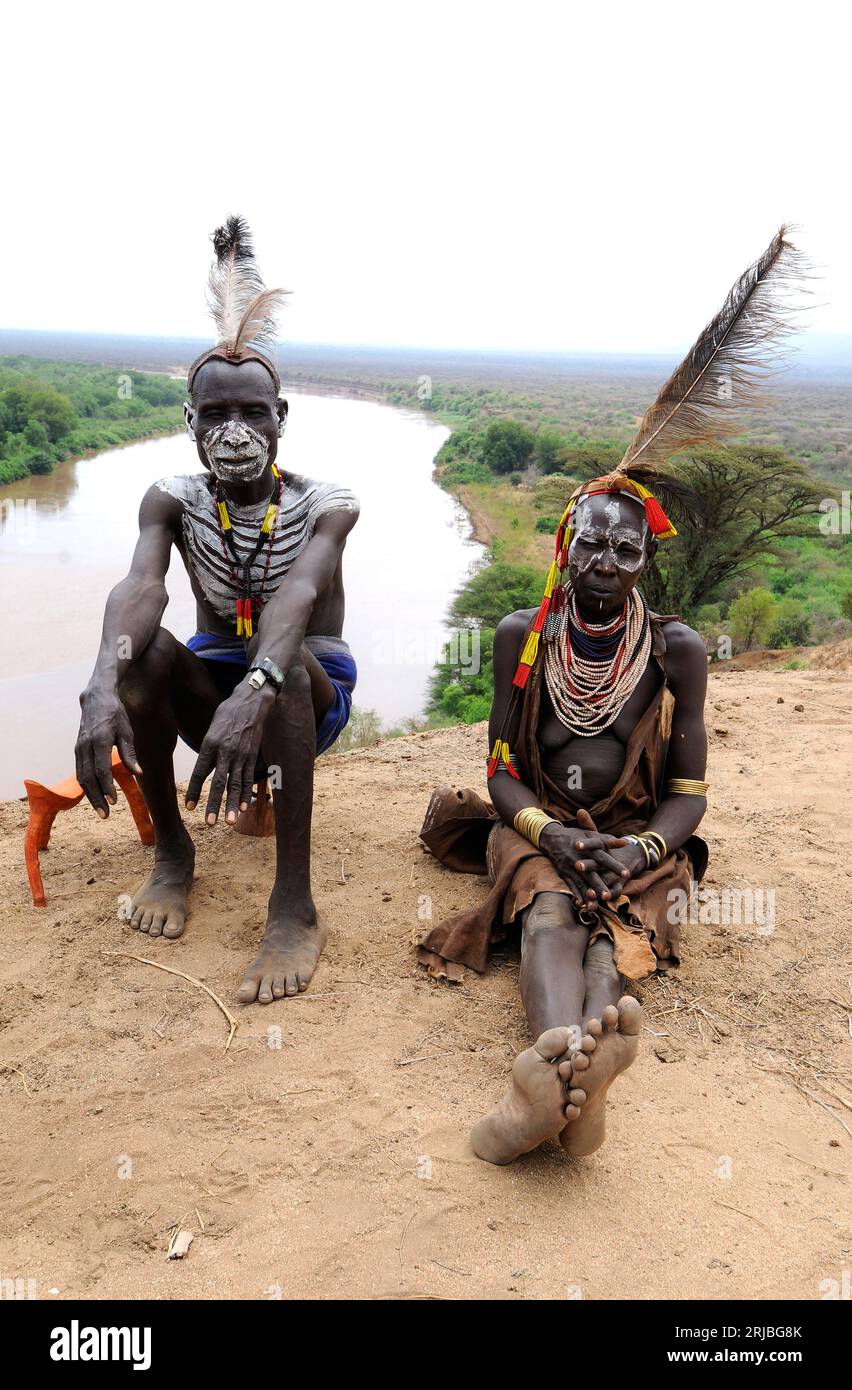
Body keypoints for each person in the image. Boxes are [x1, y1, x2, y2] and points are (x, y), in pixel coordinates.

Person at [418, 225, 807, 1163]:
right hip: (543, 829)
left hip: (640, 838)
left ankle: (557, 1089)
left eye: (625, 548)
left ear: (646, 558)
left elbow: (690, 795)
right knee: (553, 908)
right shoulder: (524, 637)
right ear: (565, 544)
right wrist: (551, 834)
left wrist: (634, 845)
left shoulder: (676, 653)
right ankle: (569, 1074)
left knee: (616, 926)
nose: (605, 561)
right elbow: (503, 772)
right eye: (589, 543)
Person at [74, 217, 358, 1004]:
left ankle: (294, 905)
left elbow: (297, 595)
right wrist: (103, 680)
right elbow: (141, 588)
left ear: (281, 418)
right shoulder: (173, 497)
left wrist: (261, 680)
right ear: (192, 425)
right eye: (217, 416)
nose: (237, 432)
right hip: (211, 685)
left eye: (254, 414)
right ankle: (172, 854)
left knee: (288, 660)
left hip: (307, 694)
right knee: (145, 654)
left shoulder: (327, 504)